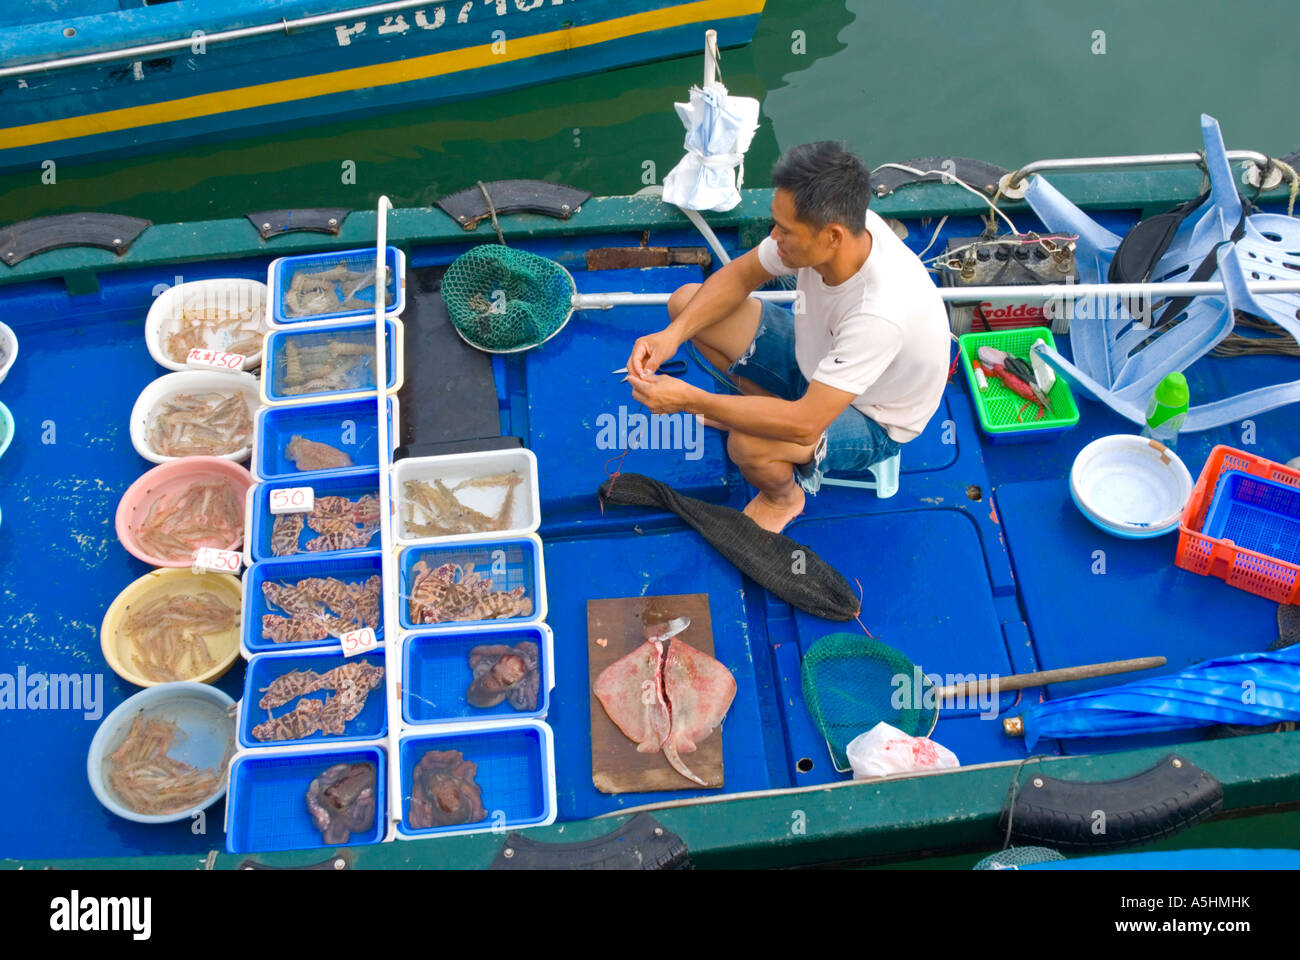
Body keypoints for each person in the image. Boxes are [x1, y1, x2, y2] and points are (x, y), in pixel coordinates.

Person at [624, 141, 951, 533]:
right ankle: (758, 413)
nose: (773, 235)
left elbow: (805, 425)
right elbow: (743, 274)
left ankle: (784, 497)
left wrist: (691, 399)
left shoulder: (879, 313)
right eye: (775, 222)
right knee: (686, 305)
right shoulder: (839, 234)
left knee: (747, 446)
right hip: (820, 361)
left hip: (874, 416)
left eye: (785, 230)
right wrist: (671, 336)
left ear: (831, 236)